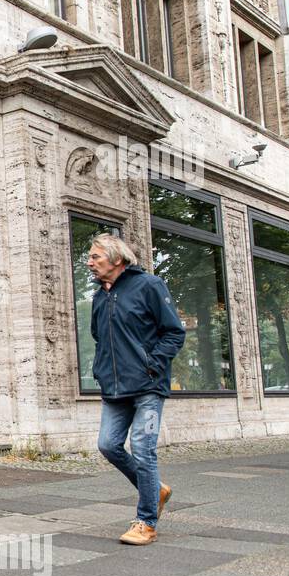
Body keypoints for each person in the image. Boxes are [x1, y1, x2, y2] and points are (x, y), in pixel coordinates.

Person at [87, 233, 186, 545]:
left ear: (116, 260)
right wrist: (101, 371)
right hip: (114, 388)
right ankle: (156, 489)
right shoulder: (99, 297)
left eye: (95, 258)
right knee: (108, 445)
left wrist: (151, 365)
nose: (90, 263)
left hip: (148, 386)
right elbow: (99, 337)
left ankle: (146, 521)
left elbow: (174, 332)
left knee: (143, 449)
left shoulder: (149, 286)